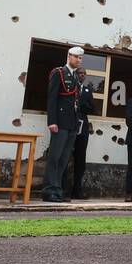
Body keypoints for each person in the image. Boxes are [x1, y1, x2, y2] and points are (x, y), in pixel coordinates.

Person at [42, 46, 83, 203]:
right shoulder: (58, 72)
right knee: (55, 157)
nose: (79, 60)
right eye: (77, 57)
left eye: (81, 58)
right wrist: (52, 121)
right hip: (59, 122)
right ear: (69, 56)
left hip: (71, 123)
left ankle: (57, 189)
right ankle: (49, 190)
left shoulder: (75, 77)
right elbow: (52, 98)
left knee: (64, 158)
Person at [67, 66, 96, 200]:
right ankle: (64, 190)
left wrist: (82, 106)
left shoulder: (87, 90)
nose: (82, 75)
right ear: (75, 74)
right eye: (80, 73)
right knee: (66, 158)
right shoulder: (70, 87)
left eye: (84, 73)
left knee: (80, 160)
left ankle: (77, 191)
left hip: (82, 128)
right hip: (68, 125)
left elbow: (93, 108)